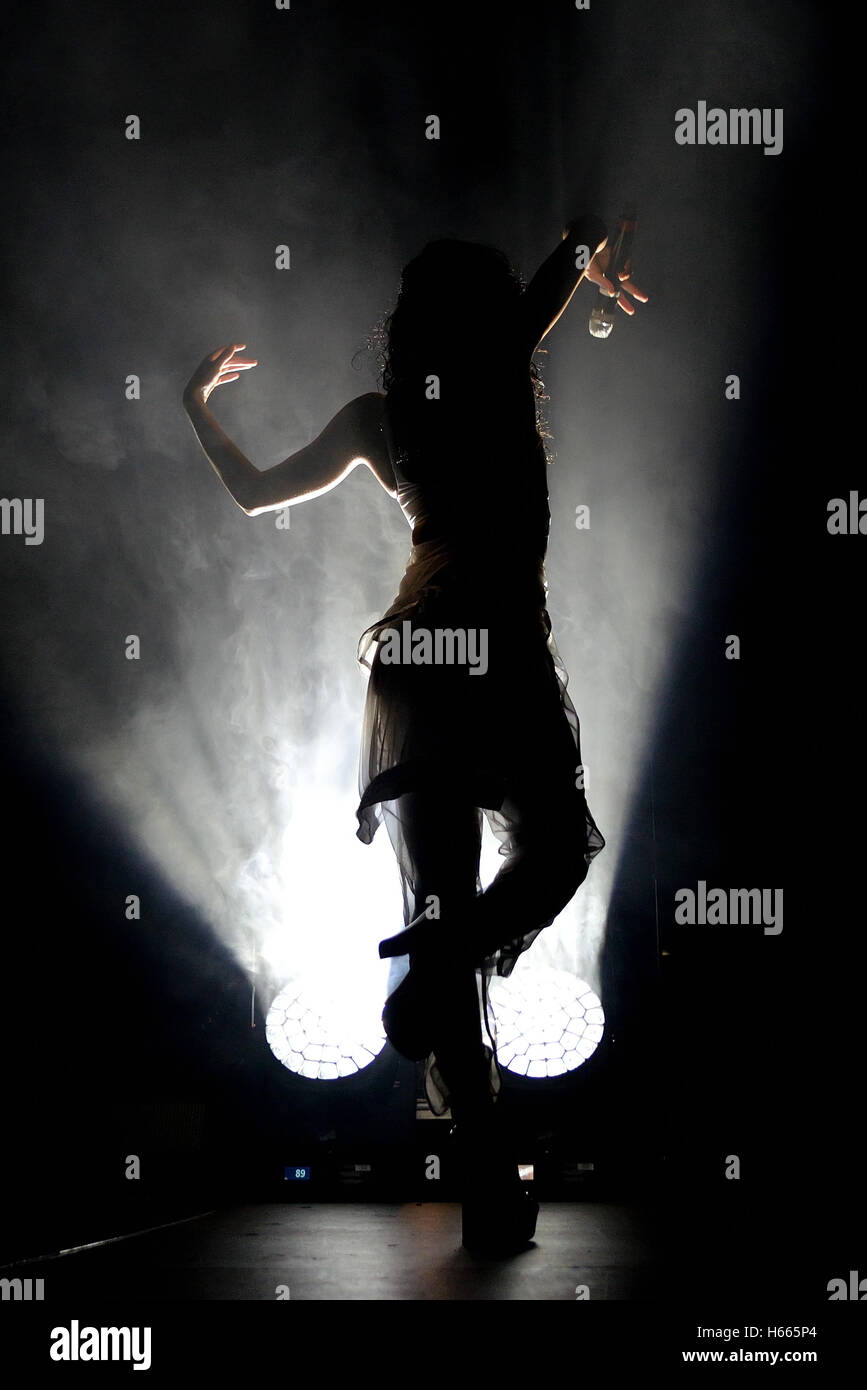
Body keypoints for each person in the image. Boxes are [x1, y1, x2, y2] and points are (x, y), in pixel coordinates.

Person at [183, 215, 648, 1252]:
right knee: (555, 854)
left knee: (444, 927)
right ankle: (450, 958)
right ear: (489, 315)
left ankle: (487, 1184)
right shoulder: (505, 361)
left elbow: (256, 492)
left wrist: (193, 408)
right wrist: (604, 255)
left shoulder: (375, 418)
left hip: (417, 661)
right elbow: (580, 227)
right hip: (500, 651)